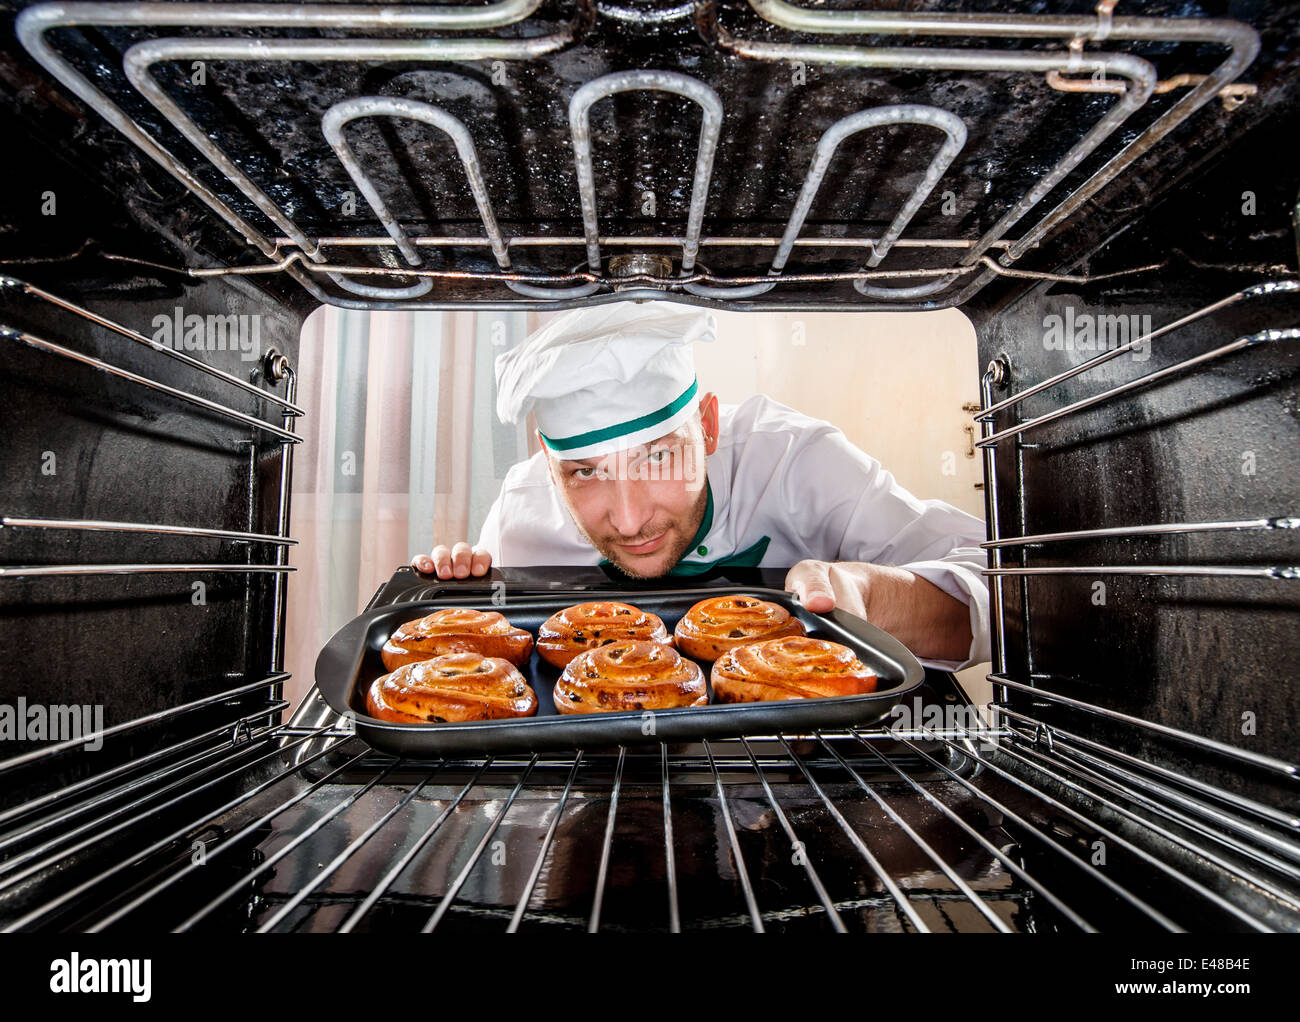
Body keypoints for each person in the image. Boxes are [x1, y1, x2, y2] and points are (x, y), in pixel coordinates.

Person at [410, 301, 990, 671]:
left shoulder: (796, 461)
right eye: (585, 472)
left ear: (708, 426)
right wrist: (458, 585)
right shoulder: (522, 513)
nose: (631, 520)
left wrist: (869, 591)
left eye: (658, 458)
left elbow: (1005, 601)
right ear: (548, 462)